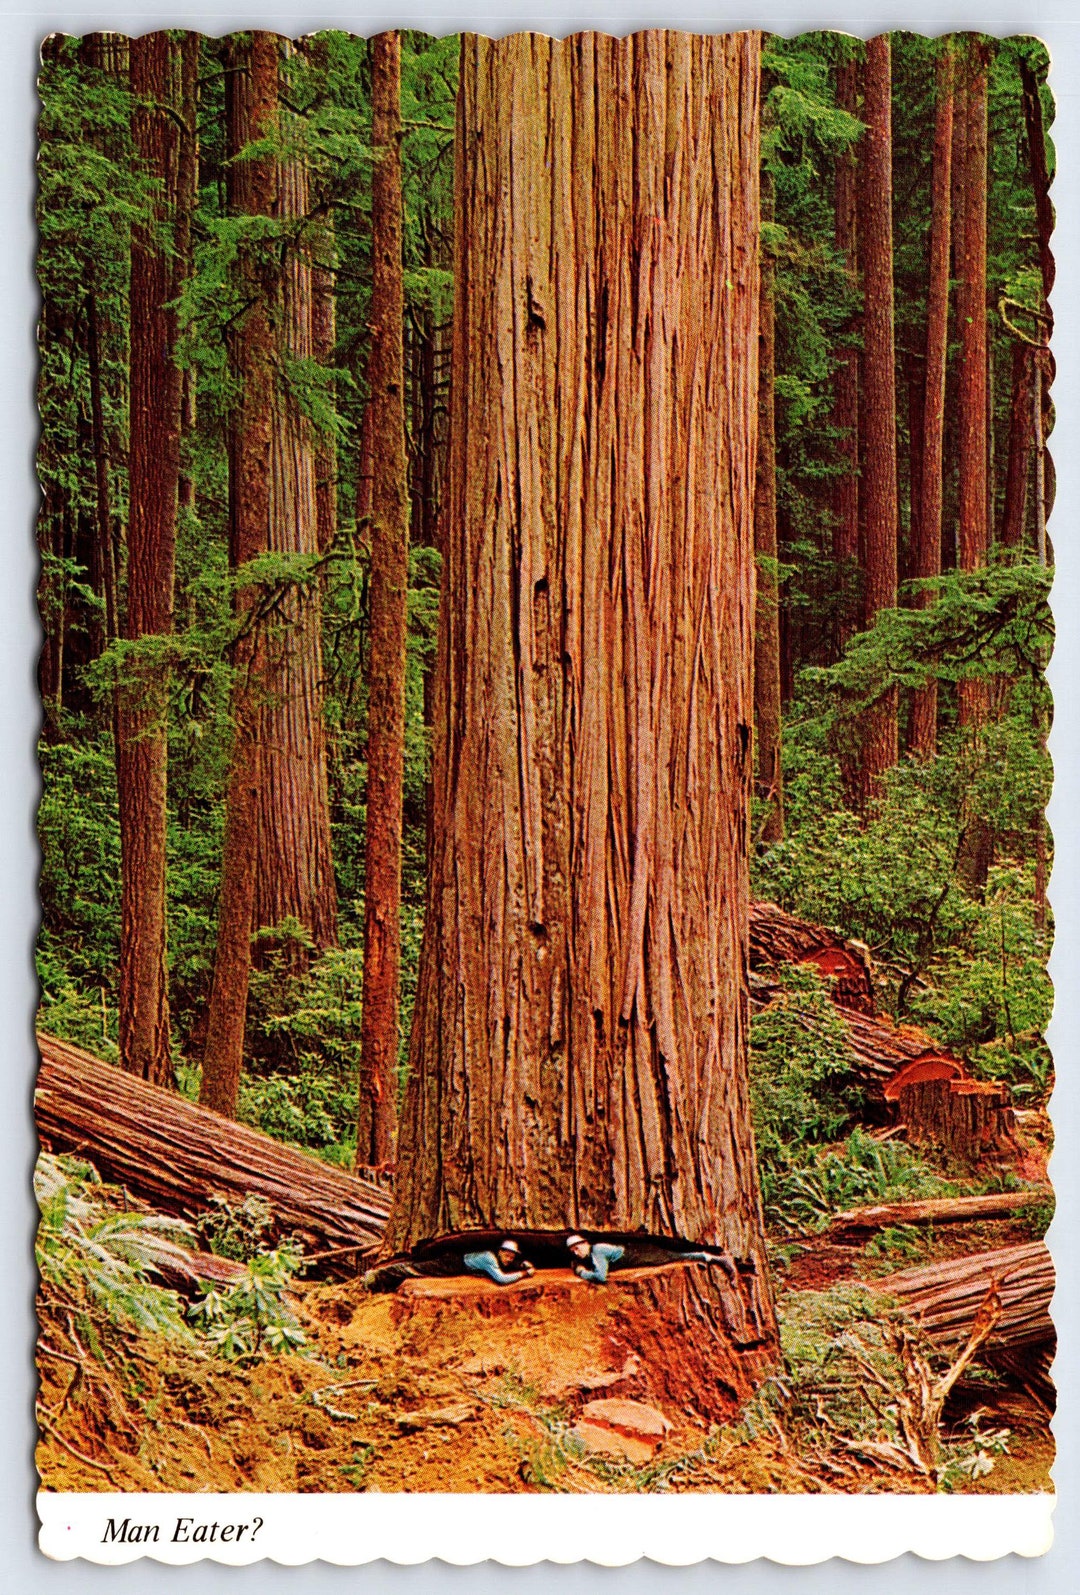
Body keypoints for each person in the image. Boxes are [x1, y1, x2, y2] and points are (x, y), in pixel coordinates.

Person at [463, 1237, 535, 1286]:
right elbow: (501, 1279)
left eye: (512, 1257)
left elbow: (509, 1263)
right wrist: (525, 1273)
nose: (509, 1259)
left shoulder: (499, 1257)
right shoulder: (489, 1258)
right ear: (500, 1252)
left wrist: (522, 1265)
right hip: (456, 1264)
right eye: (507, 1255)